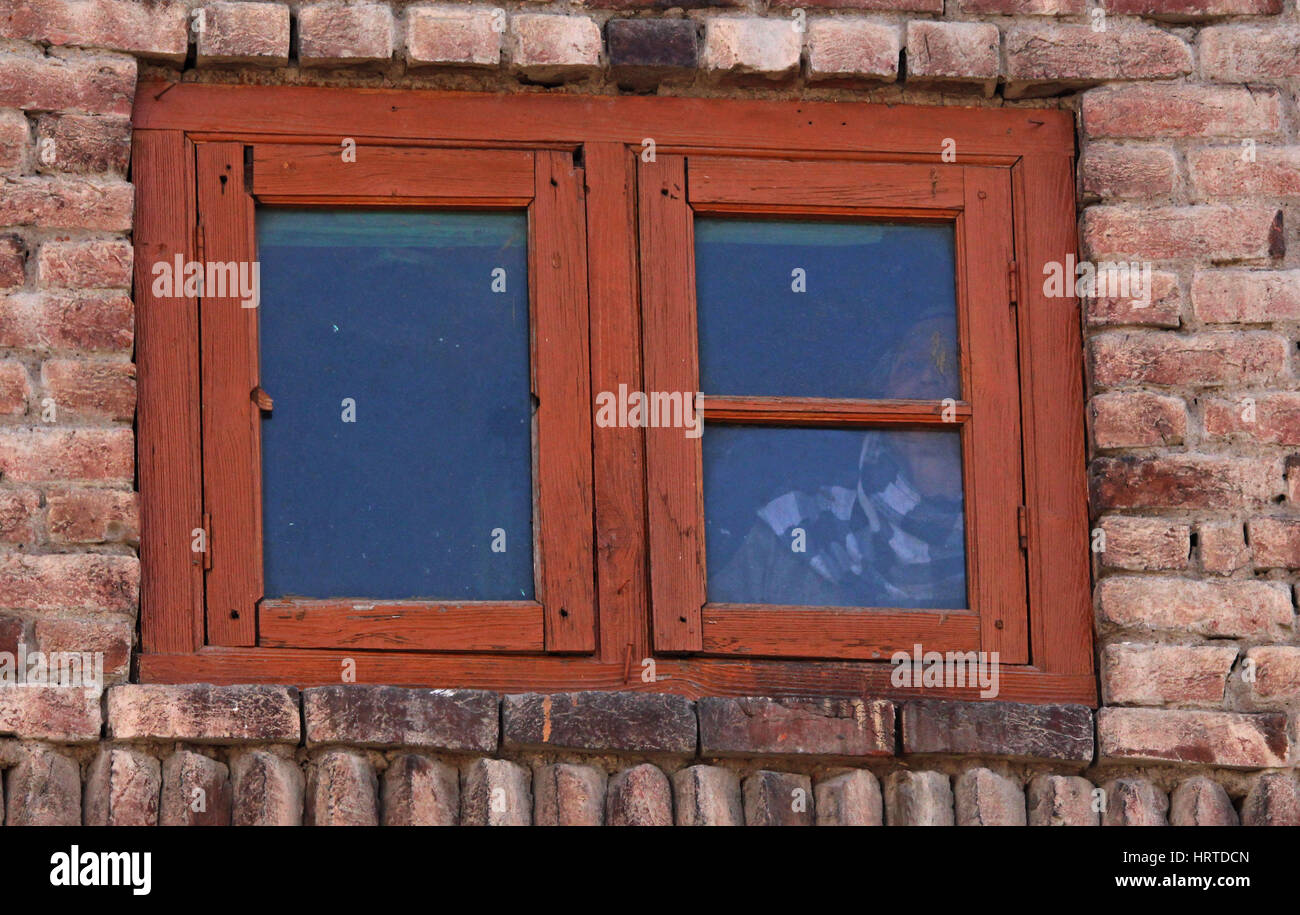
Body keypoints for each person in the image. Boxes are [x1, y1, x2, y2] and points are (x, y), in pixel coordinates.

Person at [708, 311, 967, 610]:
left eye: (946, 364)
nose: (927, 377)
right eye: (911, 364)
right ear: (884, 390)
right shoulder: (804, 520)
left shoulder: (1001, 526)